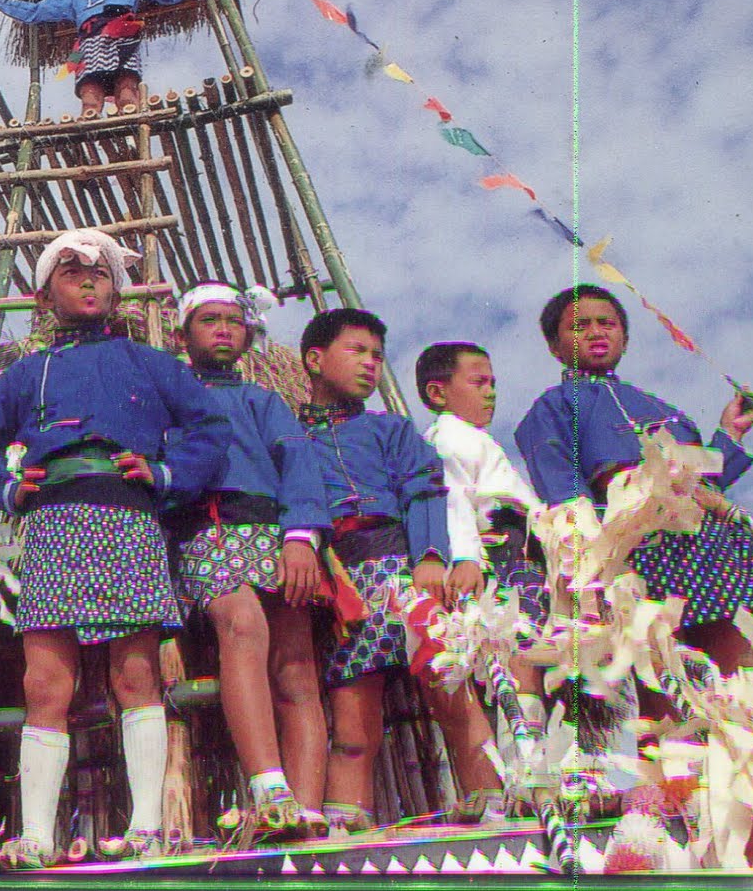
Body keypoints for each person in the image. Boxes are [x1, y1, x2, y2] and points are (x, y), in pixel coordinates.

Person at [0, 229, 228, 868]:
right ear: (45, 291)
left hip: (127, 516)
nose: (88, 281)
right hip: (53, 519)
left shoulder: (152, 364)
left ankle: (145, 827)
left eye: (101, 272)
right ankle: (35, 837)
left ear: (115, 289)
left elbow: (208, 429)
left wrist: (166, 475)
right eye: (72, 270)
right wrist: (6, 487)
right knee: (45, 680)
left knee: (135, 672)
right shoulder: (28, 374)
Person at [513, 286, 753, 784]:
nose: (596, 332)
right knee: (661, 670)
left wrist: (729, 437)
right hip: (630, 544)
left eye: (607, 321)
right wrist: (582, 544)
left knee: (737, 663)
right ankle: (678, 793)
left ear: (625, 335)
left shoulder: (662, 406)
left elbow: (702, 478)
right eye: (578, 325)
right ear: (554, 345)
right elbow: (557, 478)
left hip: (701, 538)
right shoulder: (556, 404)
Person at [295, 309, 501, 831]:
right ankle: (347, 825)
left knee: (448, 686)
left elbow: (424, 490)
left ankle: (492, 804)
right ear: (315, 360)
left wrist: (430, 558)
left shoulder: (392, 430)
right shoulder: (293, 441)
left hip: (403, 570)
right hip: (343, 585)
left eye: (377, 356)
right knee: (353, 713)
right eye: (356, 351)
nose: (370, 364)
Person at [170, 283, 330, 842]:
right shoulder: (170, 399)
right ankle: (270, 786)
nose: (222, 330)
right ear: (183, 333)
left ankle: (307, 808)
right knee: (242, 625)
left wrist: (301, 537)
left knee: (296, 665)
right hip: (206, 530)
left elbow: (297, 461)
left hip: (276, 534)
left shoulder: (264, 401)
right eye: (208, 320)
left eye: (233, 321)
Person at [416, 342, 549, 721]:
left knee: (532, 648)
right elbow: (452, 499)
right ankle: (528, 752)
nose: (490, 392)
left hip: (521, 547)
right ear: (438, 392)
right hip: (497, 549)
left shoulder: (474, 438)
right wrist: (465, 558)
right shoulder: (448, 438)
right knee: (515, 646)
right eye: (478, 382)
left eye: (493, 382)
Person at [0, 0, 202, 117]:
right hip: (88, 44)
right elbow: (36, 12)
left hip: (122, 36)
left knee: (127, 92)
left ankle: (132, 136)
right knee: (90, 97)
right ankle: (90, 127)